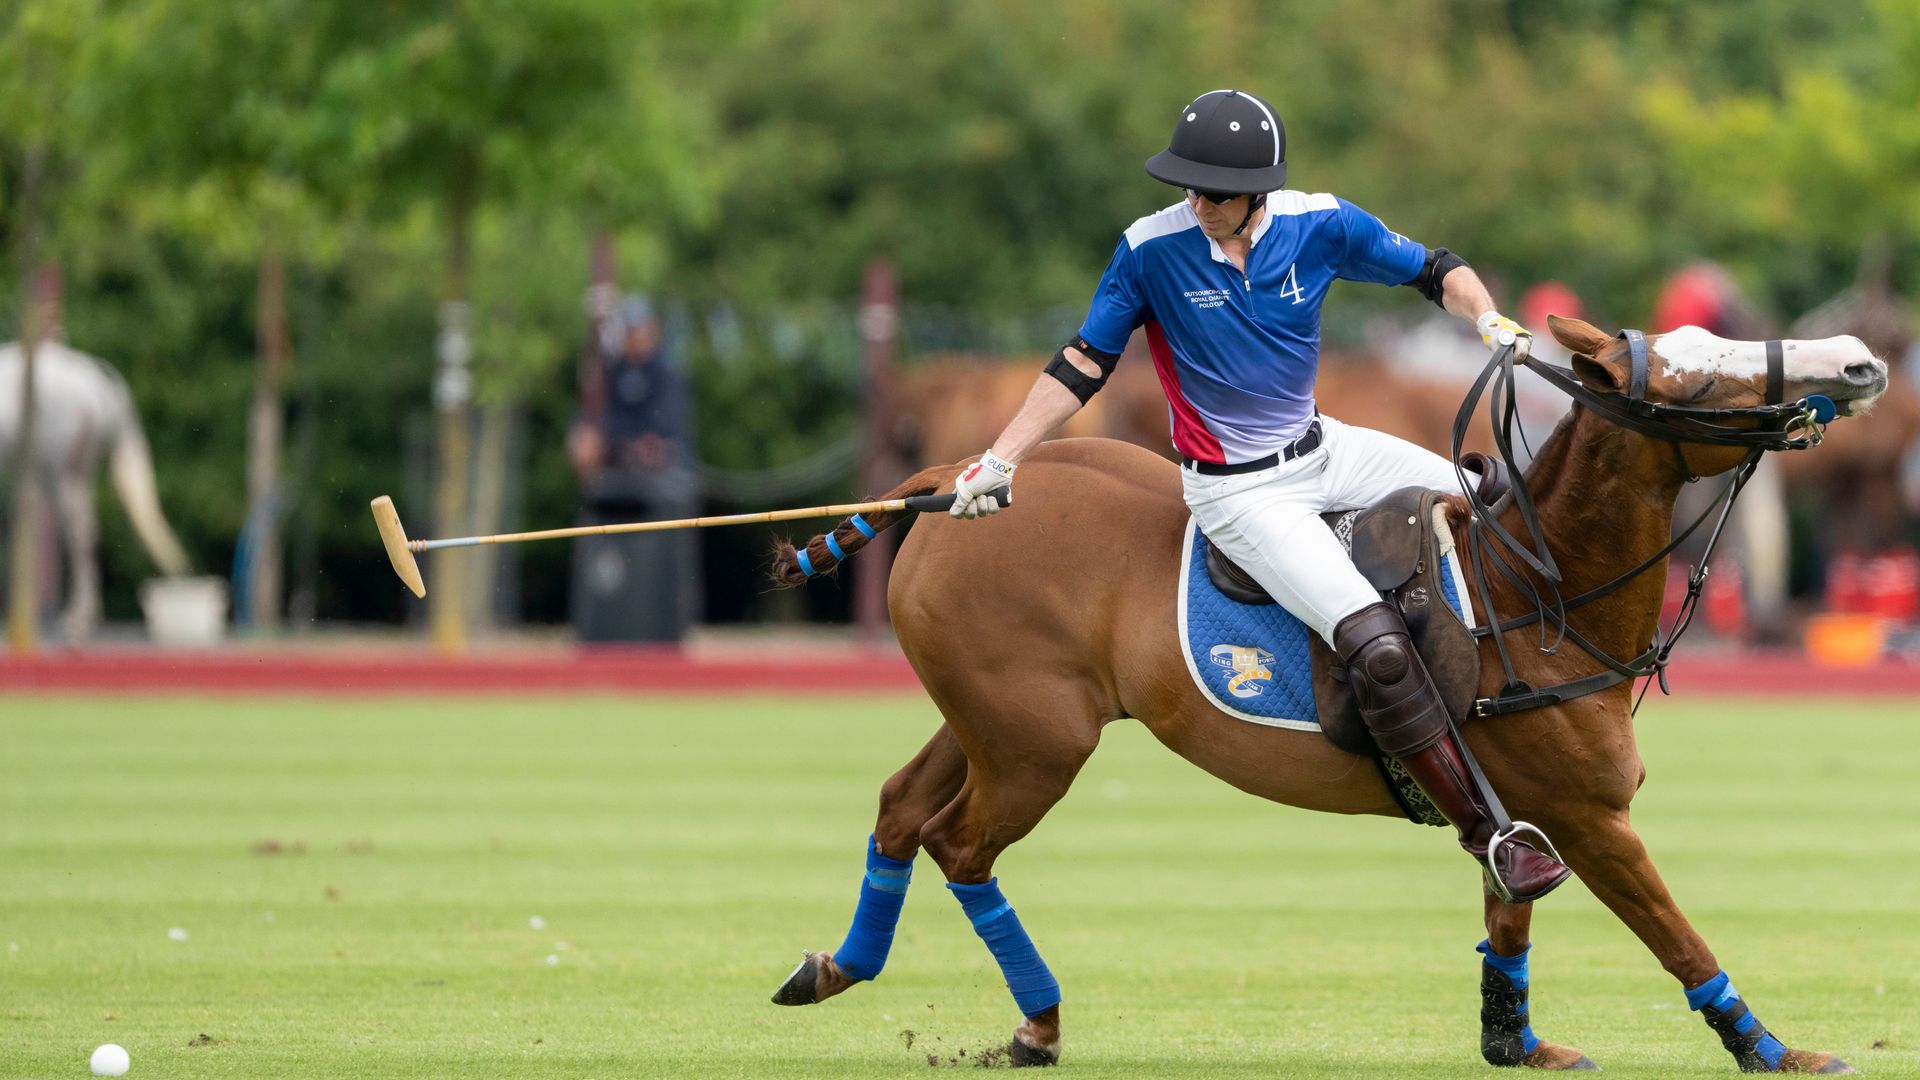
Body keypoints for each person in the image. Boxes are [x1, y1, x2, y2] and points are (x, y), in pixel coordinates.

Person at [945, 89, 1569, 901]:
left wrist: (1488, 320)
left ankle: (1526, 717)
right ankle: (1489, 835)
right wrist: (1001, 457)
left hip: (1327, 448)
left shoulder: (1321, 225)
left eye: (1214, 193)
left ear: (1258, 195)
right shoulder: (1150, 250)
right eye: (1189, 188)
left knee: (1494, 511)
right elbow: (1081, 362)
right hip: (1240, 496)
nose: (1196, 203)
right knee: (1374, 642)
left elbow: (1435, 269)